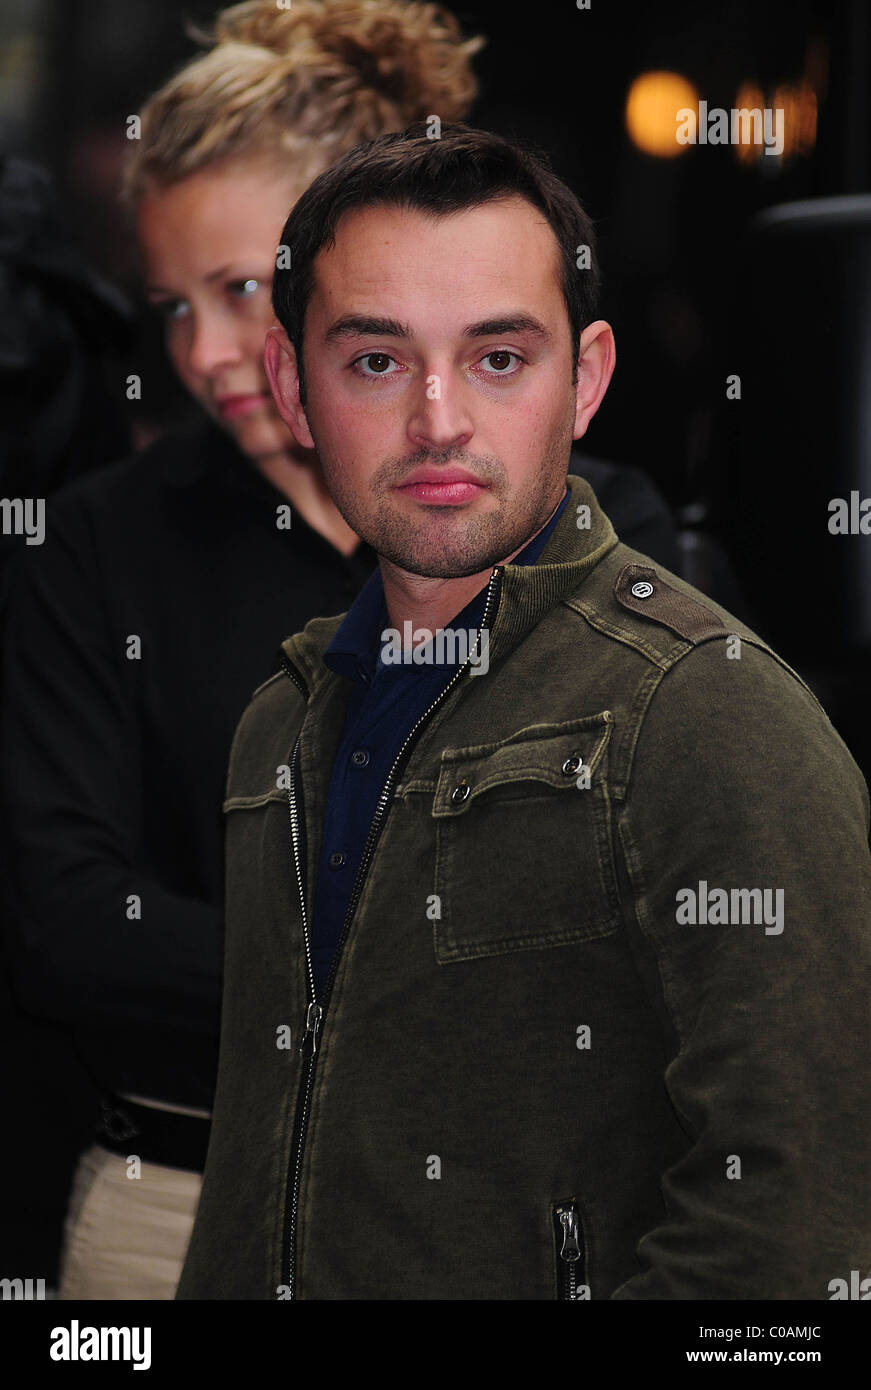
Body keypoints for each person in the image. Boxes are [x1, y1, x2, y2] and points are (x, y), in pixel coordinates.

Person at [177, 123, 871, 1301]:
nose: (439, 419)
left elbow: (792, 1240)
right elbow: (256, 1176)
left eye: (498, 358)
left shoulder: (704, 711)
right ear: (294, 387)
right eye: (377, 361)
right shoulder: (277, 726)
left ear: (587, 378)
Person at [0, 0, 489, 1300]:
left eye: (236, 289)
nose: (202, 354)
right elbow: (64, 922)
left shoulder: (580, 521)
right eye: (169, 303)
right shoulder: (92, 547)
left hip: (504, 1198)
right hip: (174, 1203)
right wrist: (413, 973)